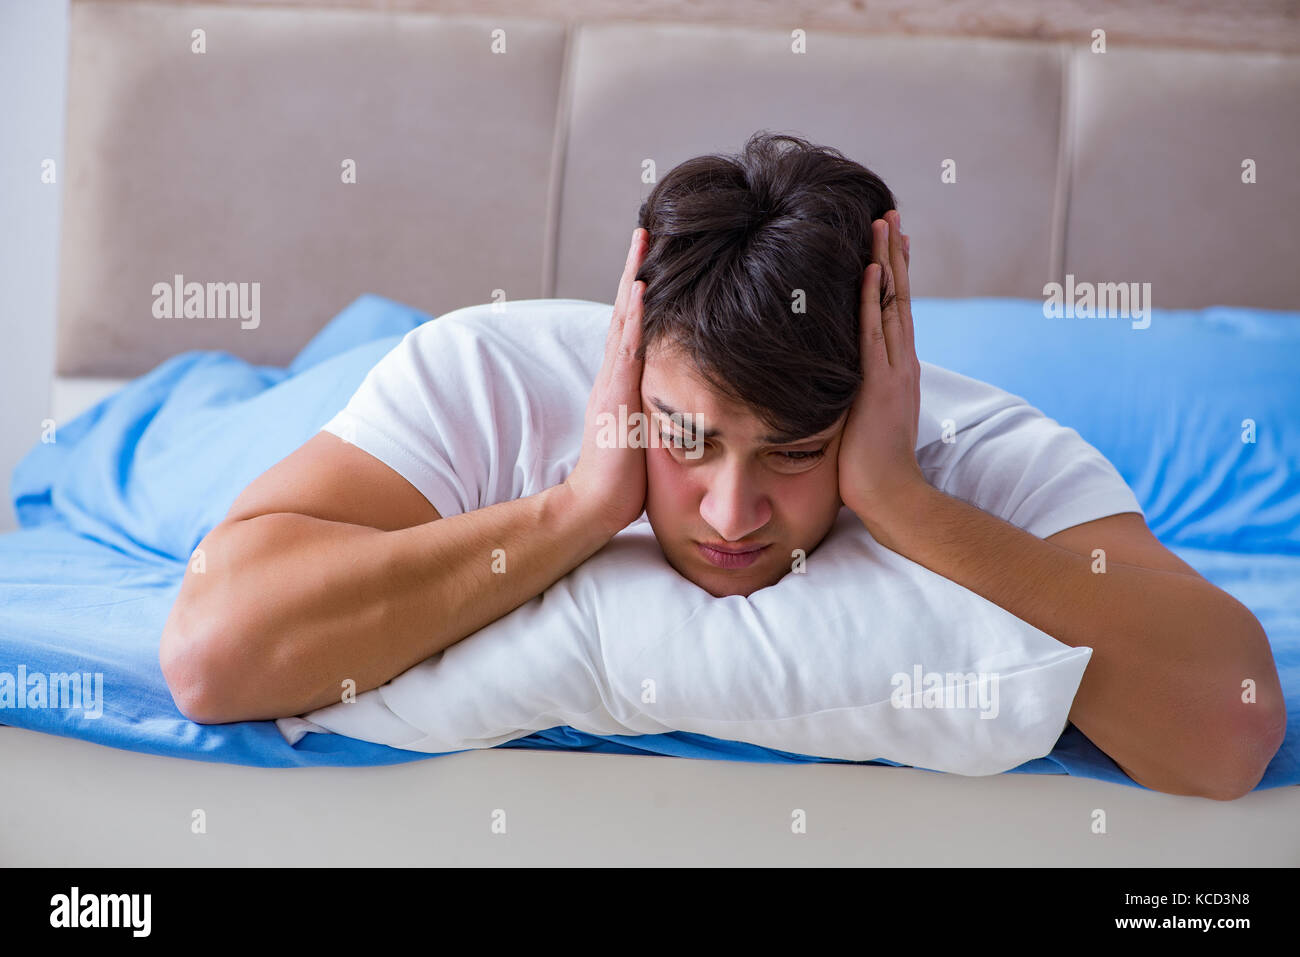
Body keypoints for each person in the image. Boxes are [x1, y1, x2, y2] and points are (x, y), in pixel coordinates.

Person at [160, 132, 1285, 800]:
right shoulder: (486, 374)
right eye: (687, 441)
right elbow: (213, 656)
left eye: (794, 453)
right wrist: (575, 508)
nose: (732, 513)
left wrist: (904, 503)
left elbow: (1229, 727)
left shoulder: (979, 447)